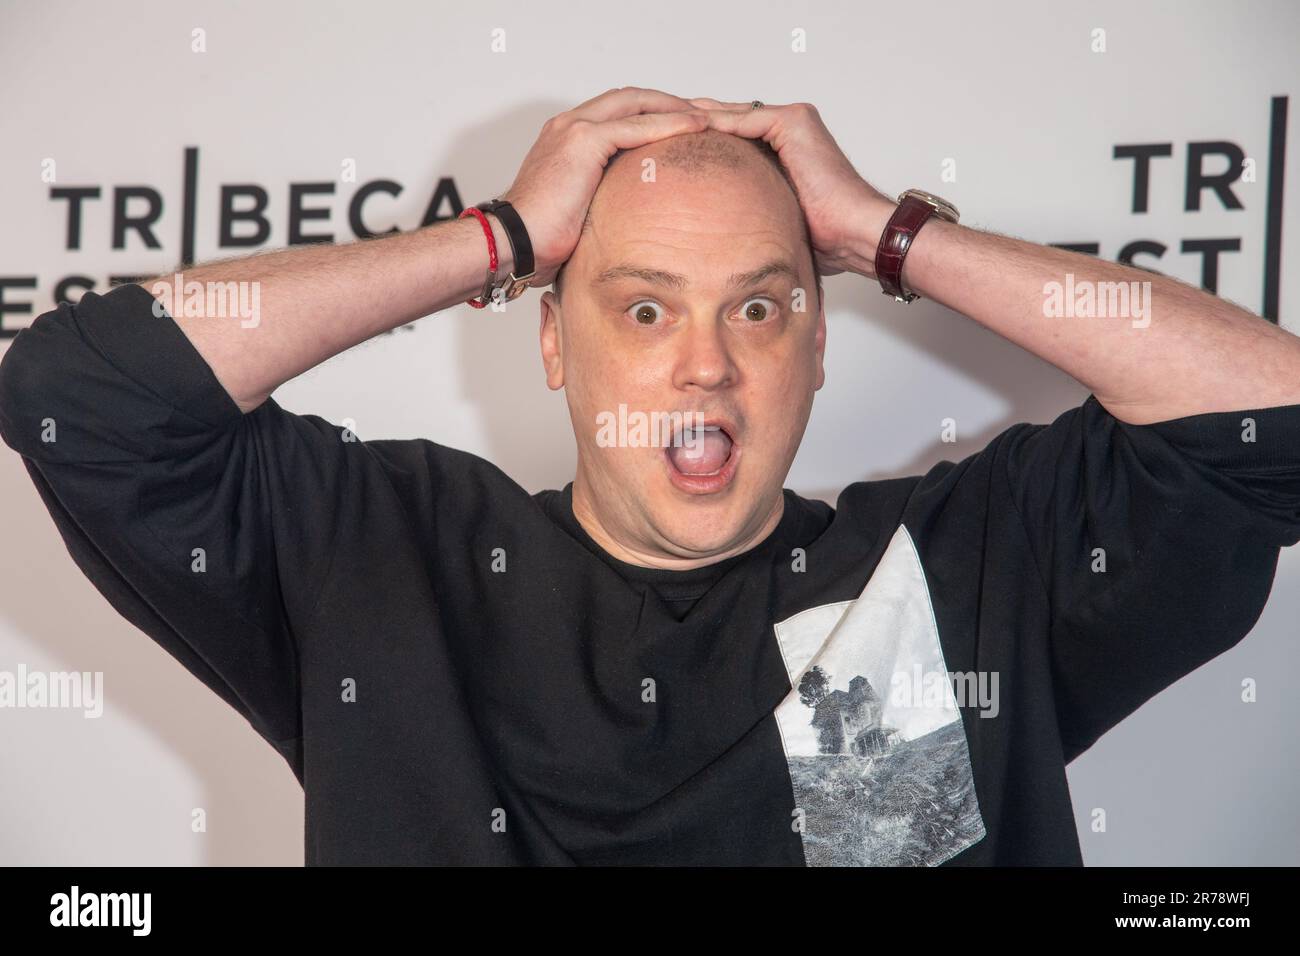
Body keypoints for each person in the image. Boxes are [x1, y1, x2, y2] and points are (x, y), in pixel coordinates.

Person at [2, 87, 1298, 866]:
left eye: (758, 310)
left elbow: (1271, 418)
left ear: (816, 346)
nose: (703, 369)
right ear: (551, 340)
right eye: (639, 310)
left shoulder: (964, 569)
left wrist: (884, 232)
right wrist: (499, 235)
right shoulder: (380, 556)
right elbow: (76, 398)